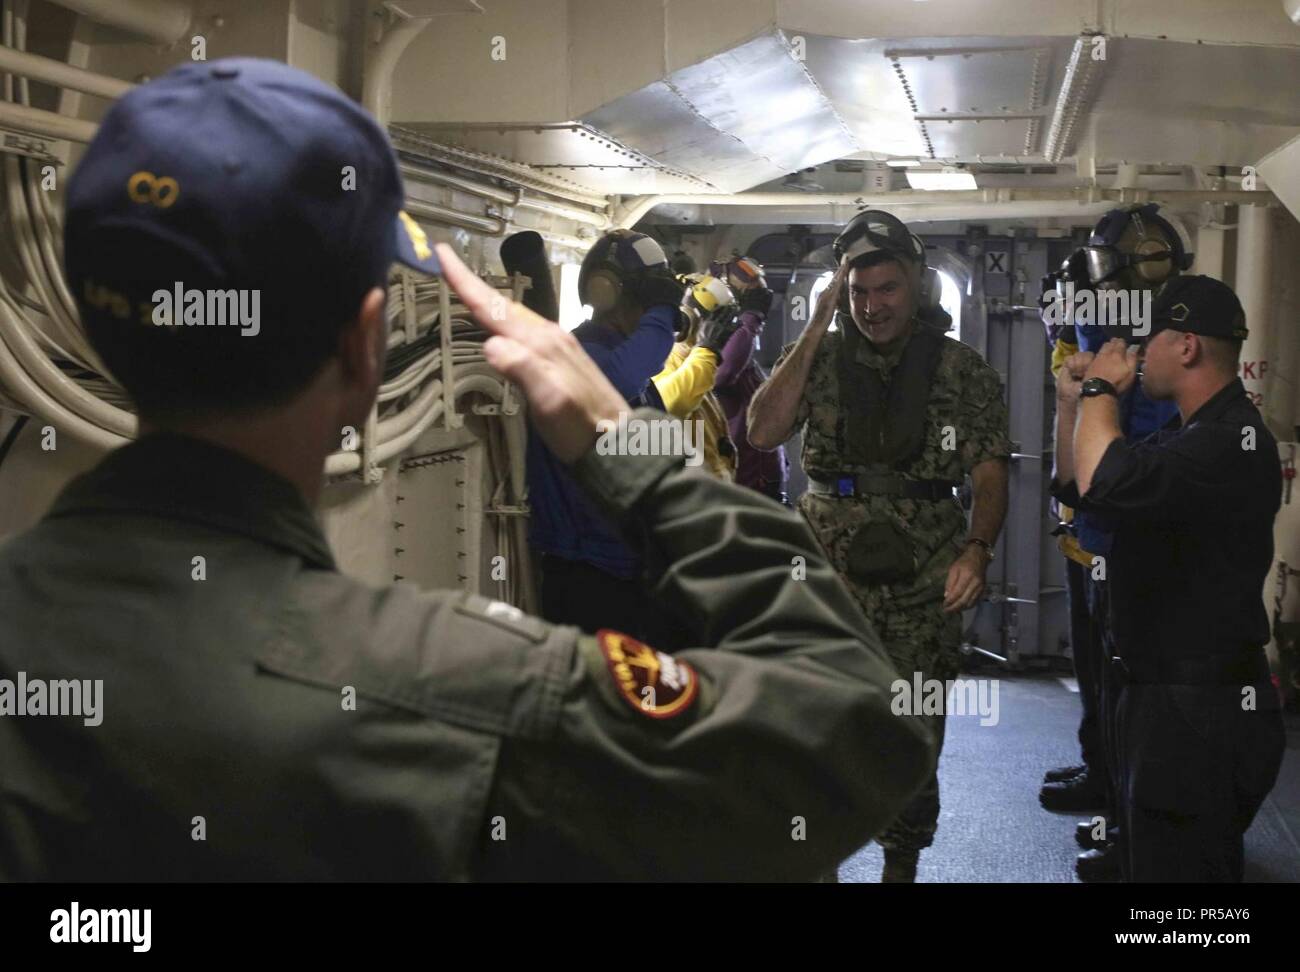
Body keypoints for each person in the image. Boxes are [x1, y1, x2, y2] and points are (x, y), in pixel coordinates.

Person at [0, 57, 934, 882]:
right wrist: (628, 445)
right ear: (366, 352)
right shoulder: (458, 687)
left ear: (103, 326)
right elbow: (853, 729)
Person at [747, 210, 1011, 882]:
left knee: (912, 735)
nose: (872, 307)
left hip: (924, 581)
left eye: (886, 289)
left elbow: (987, 471)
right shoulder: (821, 357)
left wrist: (977, 547)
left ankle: (900, 868)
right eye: (858, 293)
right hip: (826, 583)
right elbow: (761, 431)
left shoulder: (961, 369)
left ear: (917, 284)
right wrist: (817, 320)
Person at [1053, 275, 1284, 882]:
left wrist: (1103, 384)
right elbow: (1084, 485)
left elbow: (1104, 477)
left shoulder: (1226, 444)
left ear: (1185, 347)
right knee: (1157, 868)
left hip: (1197, 713)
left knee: (1184, 895)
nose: (1138, 352)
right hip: (1166, 701)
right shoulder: (1194, 435)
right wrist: (1072, 403)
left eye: (1147, 339)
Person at [1039, 205, 1192, 883]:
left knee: (1131, 688)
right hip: (1091, 528)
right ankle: (1103, 776)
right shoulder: (1100, 321)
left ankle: (1131, 825)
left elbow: (1146, 438)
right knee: (1100, 675)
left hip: (1133, 536)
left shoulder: (1170, 337)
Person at [526, 228, 682, 637]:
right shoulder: (577, 357)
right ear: (606, 294)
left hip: (635, 570)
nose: (651, 318)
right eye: (646, 304)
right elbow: (613, 383)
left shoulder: (626, 365)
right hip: (590, 577)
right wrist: (664, 313)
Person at [709, 257, 790, 504]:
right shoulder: (703, 356)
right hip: (740, 493)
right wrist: (751, 318)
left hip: (765, 489)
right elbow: (722, 373)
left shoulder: (744, 357)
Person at [647, 272, 741, 480]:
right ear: (685, 320)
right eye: (713, 323)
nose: (718, 332)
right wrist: (706, 349)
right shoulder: (662, 356)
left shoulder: (695, 360)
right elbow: (670, 405)